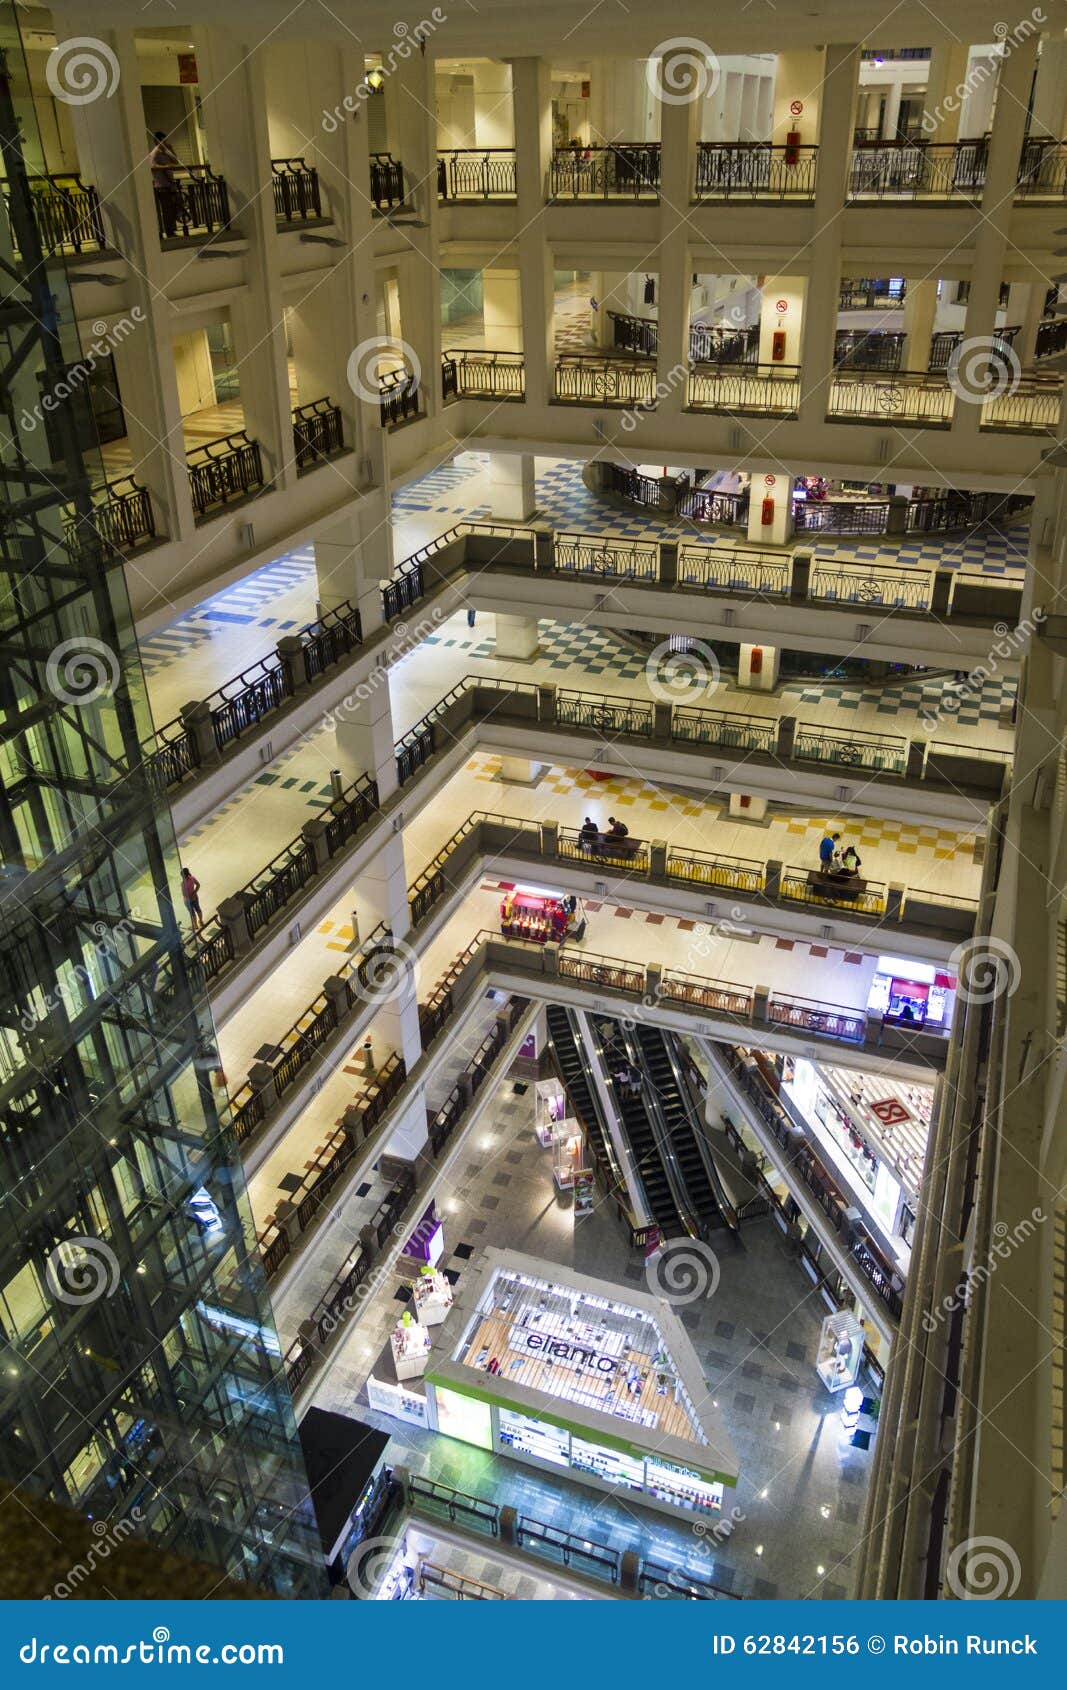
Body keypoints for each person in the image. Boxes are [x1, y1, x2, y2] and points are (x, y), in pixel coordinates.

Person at [149, 131, 181, 236]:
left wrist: (171, 150)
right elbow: (153, 167)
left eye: (165, 140)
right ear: (156, 142)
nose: (164, 143)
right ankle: (168, 230)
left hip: (170, 184)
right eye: (162, 141)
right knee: (166, 209)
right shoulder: (155, 153)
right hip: (161, 185)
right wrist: (166, 167)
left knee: (175, 206)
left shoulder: (166, 152)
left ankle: (172, 228)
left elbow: (176, 162)